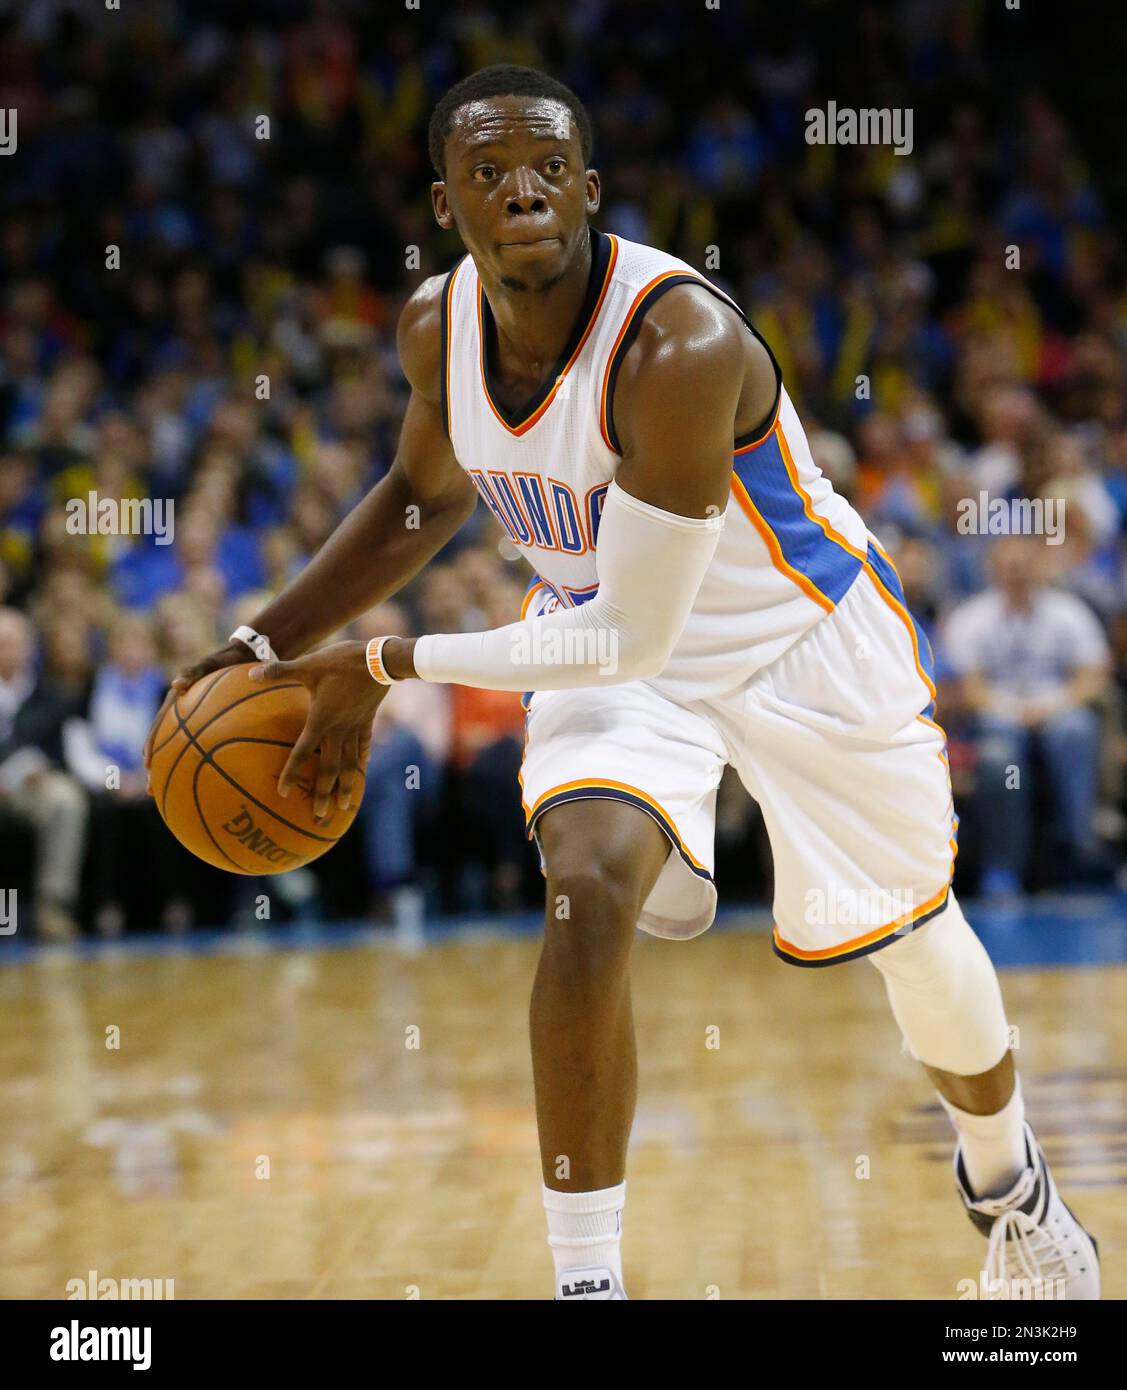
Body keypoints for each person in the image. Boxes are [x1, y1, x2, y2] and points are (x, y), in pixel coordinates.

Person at [145, 65, 1100, 1301]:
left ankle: (1007, 1187)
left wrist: (381, 662)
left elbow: (633, 637)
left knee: (915, 948)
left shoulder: (677, 339)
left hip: (794, 643)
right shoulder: (436, 327)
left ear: (589, 189)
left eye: (546, 167)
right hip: (608, 642)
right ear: (446, 204)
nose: (520, 190)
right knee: (582, 892)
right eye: (485, 173)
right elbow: (422, 497)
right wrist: (258, 647)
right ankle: (585, 1283)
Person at [942, 535, 1111, 897]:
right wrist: (1010, 710)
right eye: (1008, 565)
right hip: (996, 716)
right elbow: (967, 689)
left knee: (1076, 730)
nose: (1017, 572)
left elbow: (1093, 675)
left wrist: (1055, 704)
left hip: (1056, 709)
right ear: (993, 568)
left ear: (1040, 566)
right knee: (1002, 759)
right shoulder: (972, 617)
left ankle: (1077, 845)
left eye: (1024, 564)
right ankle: (1004, 867)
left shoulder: (1068, 611)